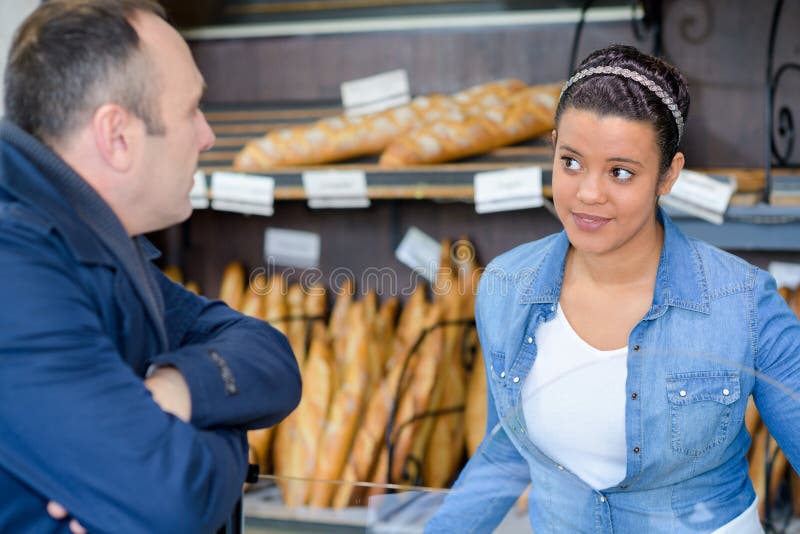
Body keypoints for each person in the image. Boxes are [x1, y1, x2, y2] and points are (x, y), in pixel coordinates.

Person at [426, 44, 800, 533]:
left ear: (669, 175)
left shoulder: (743, 303)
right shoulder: (504, 287)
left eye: (620, 172)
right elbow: (508, 451)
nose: (588, 194)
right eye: (571, 162)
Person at [0, 1, 301, 532]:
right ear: (117, 136)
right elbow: (172, 504)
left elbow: (268, 355)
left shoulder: (88, 242)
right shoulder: (14, 268)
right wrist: (228, 431)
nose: (207, 136)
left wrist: (177, 388)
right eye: (190, 111)